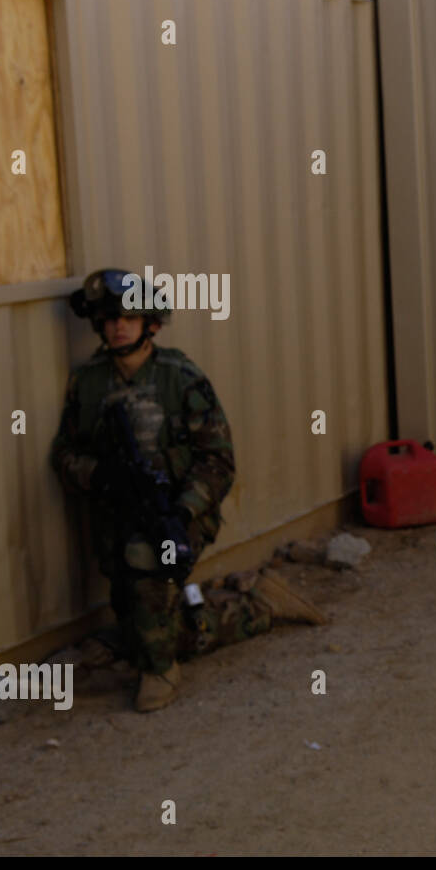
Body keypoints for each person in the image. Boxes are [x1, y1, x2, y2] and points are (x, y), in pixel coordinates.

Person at [51, 269, 323, 712]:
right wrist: (98, 476)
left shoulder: (181, 378)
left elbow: (218, 460)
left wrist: (182, 511)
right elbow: (64, 454)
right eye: (109, 318)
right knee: (141, 616)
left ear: (150, 324)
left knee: (149, 582)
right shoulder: (88, 383)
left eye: (129, 317)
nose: (118, 325)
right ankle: (239, 608)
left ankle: (168, 663)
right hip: (116, 518)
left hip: (179, 517)